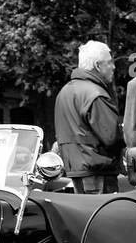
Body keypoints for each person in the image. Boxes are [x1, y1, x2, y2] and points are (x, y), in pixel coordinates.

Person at [53, 40, 124, 194]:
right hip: (98, 173)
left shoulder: (64, 92)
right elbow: (112, 138)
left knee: (86, 217)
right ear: (97, 66)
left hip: (76, 172)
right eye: (109, 62)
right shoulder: (95, 94)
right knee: (105, 217)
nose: (113, 67)